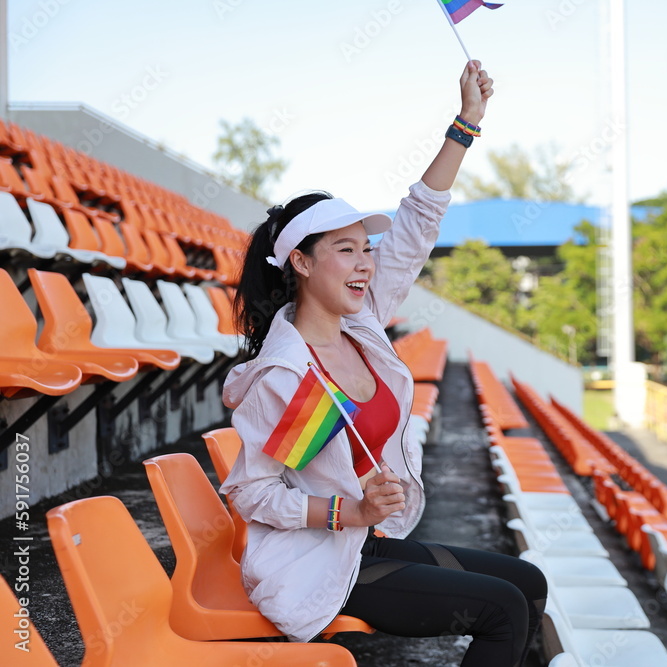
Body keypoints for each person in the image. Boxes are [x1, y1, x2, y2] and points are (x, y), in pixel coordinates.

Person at [219, 61, 547, 667]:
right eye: (345, 250)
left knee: (527, 583)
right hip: (322, 562)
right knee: (504, 609)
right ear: (302, 264)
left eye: (367, 248)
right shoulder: (288, 376)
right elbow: (253, 494)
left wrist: (465, 124)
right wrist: (352, 510)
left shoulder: (363, 320)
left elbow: (418, 223)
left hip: (368, 545)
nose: (365, 262)